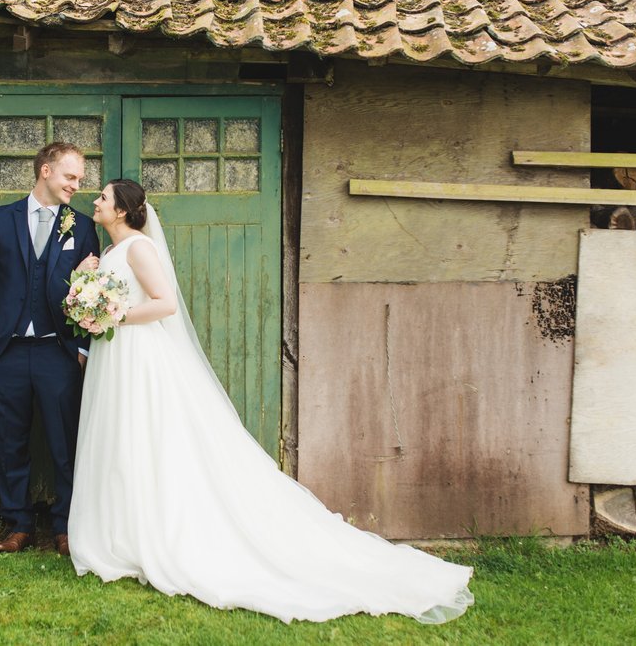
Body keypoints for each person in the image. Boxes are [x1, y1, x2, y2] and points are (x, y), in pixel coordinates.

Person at [68, 179, 474, 624]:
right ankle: (123, 534)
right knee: (120, 443)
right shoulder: (107, 254)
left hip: (139, 357)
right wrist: (89, 294)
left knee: (147, 441)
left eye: (103, 197)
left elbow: (164, 303)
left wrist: (115, 315)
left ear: (123, 210)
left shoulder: (140, 249)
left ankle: (158, 534)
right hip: (114, 356)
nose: (96, 201)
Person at [0, 142, 100, 555]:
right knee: (11, 442)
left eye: (79, 179)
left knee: (64, 444)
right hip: (6, 351)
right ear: (45, 171)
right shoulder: (0, 220)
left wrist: (81, 349)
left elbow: (91, 292)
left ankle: (65, 526)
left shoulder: (81, 227)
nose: (76, 186)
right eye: (70, 177)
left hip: (57, 352)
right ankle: (18, 525)